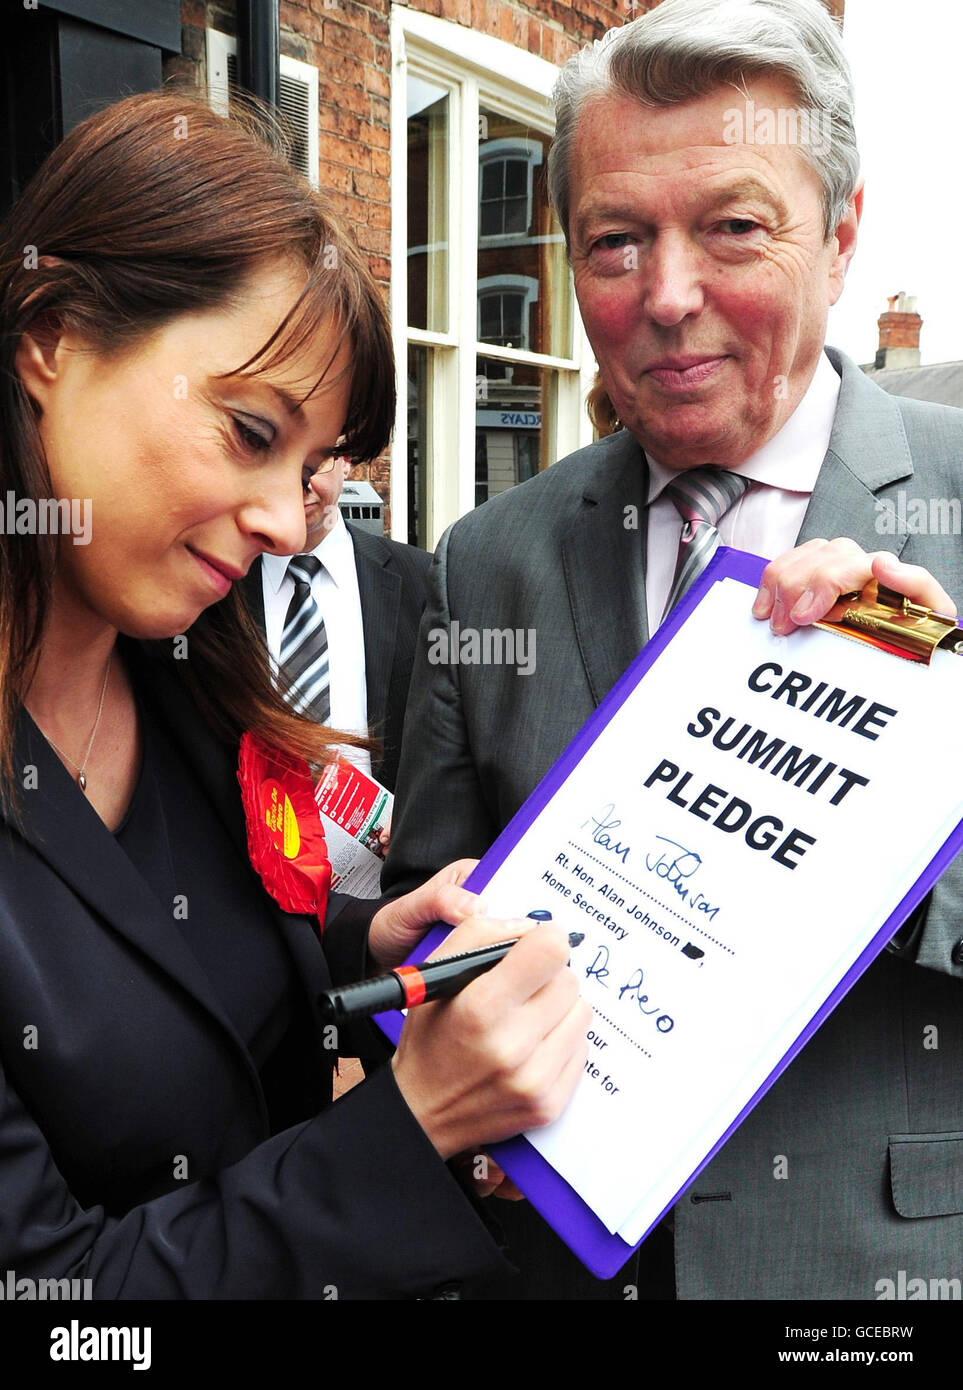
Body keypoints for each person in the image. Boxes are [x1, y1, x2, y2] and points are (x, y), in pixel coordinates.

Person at [384, 0, 963, 1299]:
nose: (666, 296)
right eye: (613, 242)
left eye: (732, 228)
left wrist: (928, 731)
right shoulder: (489, 555)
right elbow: (432, 894)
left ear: (843, 232)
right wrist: (439, 991)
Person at [0, 88, 591, 1299]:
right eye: (248, 430)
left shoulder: (189, 686)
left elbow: (190, 979)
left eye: (311, 464)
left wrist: (364, 945)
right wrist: (411, 1128)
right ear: (52, 337)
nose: (284, 522)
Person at [242, 455, 431, 792]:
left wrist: (413, 817)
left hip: (384, 841)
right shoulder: (220, 588)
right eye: (285, 458)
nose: (300, 483)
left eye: (316, 462)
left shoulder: (423, 581)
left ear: (346, 463)